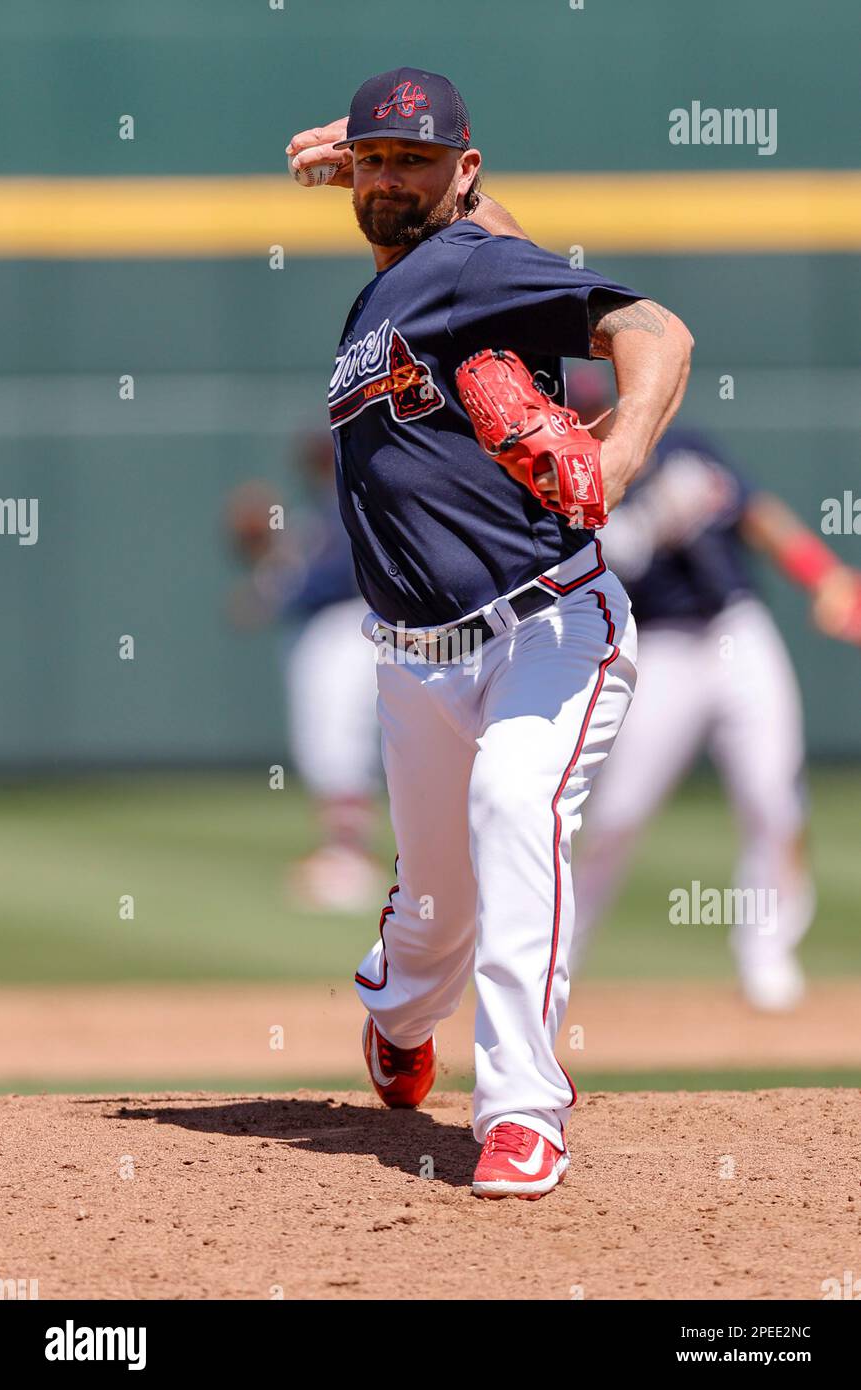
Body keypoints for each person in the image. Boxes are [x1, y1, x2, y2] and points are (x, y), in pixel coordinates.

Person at [286, 66, 693, 1199]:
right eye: (373, 158)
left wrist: (612, 460)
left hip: (545, 623)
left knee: (512, 806)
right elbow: (461, 239)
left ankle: (521, 1110)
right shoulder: (396, 289)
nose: (386, 177)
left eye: (415, 159)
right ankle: (399, 1012)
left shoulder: (463, 263)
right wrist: (382, 170)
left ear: (465, 172)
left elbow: (653, 330)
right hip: (414, 658)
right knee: (433, 915)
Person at [562, 367, 861, 1010]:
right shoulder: (568, 494)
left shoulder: (683, 445)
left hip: (738, 630)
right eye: (581, 414)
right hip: (662, 648)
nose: (597, 421)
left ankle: (767, 954)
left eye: (600, 408)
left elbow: (758, 514)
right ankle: (558, 957)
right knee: (617, 814)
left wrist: (825, 575)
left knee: (773, 796)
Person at [225, 435, 384, 911]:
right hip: (329, 634)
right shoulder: (316, 510)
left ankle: (350, 861)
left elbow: (330, 577)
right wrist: (265, 562)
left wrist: (272, 584)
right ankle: (344, 854)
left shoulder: (346, 504)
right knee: (327, 747)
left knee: (339, 744)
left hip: (347, 627)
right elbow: (291, 574)